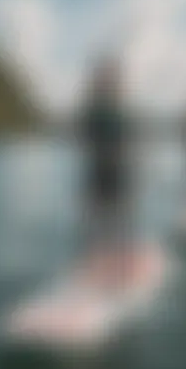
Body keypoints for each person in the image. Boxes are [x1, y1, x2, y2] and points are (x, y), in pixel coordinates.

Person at [78, 54, 137, 285]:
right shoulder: (96, 111)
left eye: (111, 79)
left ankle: (121, 269)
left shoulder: (117, 111)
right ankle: (96, 268)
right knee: (98, 222)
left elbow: (127, 144)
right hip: (99, 173)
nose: (109, 83)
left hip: (117, 173)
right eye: (106, 78)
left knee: (119, 221)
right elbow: (85, 138)